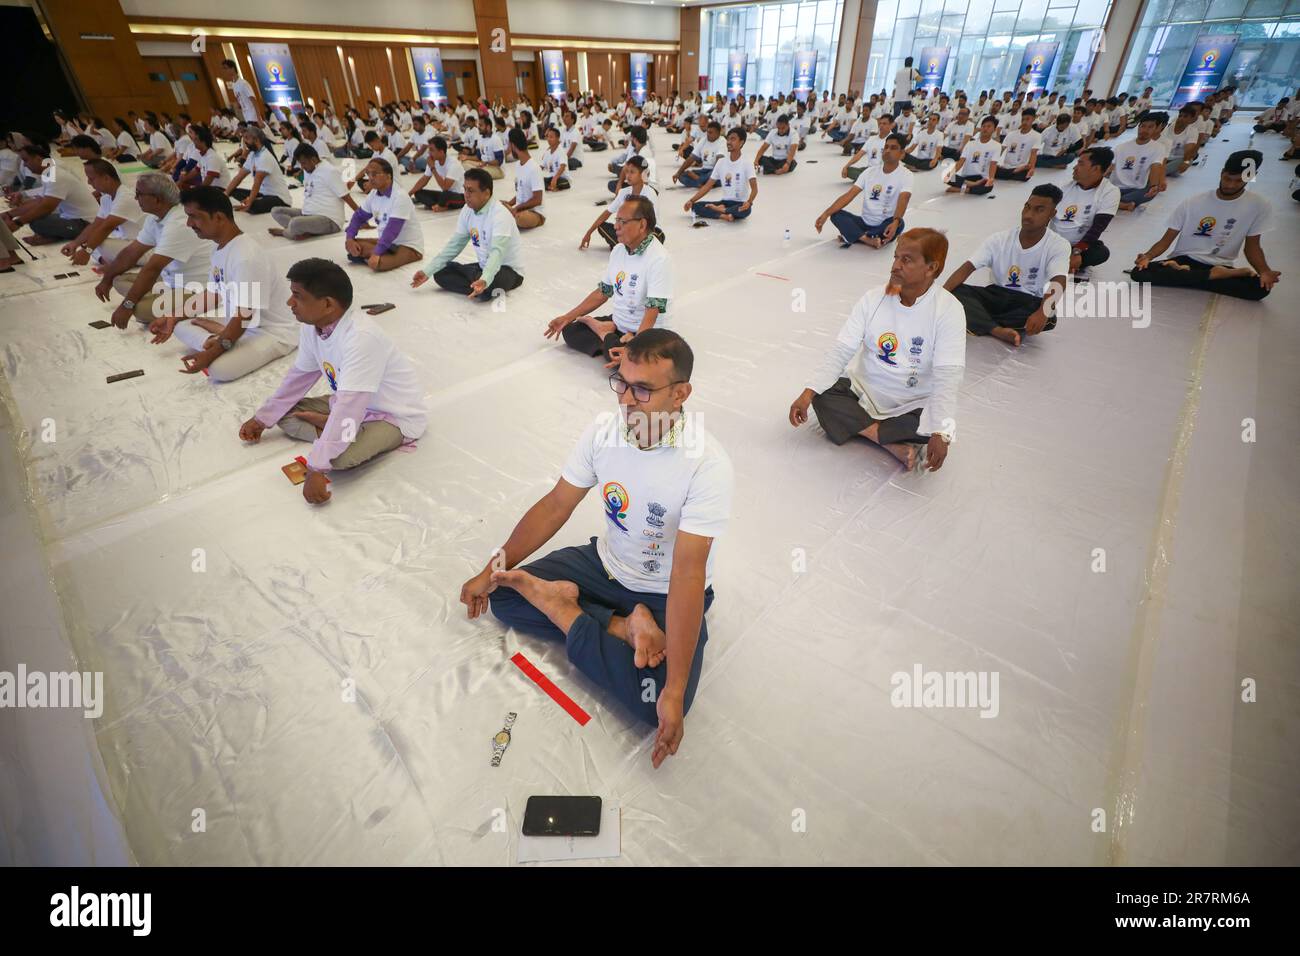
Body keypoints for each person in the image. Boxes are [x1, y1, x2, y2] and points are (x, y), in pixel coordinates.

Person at [460, 328, 732, 767]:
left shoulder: (707, 464)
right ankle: (621, 626)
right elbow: (555, 506)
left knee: (655, 704)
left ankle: (571, 610)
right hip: (604, 566)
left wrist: (675, 690)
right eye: (621, 382)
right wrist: (493, 564)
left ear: (681, 393)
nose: (625, 399)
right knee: (503, 594)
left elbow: (686, 574)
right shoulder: (604, 432)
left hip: (665, 590)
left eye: (642, 389)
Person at [239, 258, 427, 505]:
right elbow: (299, 378)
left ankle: (336, 432)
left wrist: (317, 468)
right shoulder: (312, 326)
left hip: (392, 417)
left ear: (327, 304)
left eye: (297, 296)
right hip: (351, 404)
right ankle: (335, 430)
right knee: (285, 415)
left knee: (337, 458)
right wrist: (263, 418)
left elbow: (350, 407)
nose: (289, 303)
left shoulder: (361, 338)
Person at [789, 227, 962, 472]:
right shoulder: (873, 299)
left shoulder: (948, 310)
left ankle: (862, 429)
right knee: (823, 396)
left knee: (931, 423)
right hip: (864, 393)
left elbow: (948, 376)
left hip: (911, 404)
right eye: (896, 257)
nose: (895, 266)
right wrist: (809, 393)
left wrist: (942, 432)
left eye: (907, 260)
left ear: (931, 268)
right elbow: (841, 350)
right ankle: (888, 443)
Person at [137, 186, 298, 380]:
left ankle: (219, 339)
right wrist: (173, 317)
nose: (189, 224)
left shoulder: (246, 256)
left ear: (219, 218)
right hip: (241, 323)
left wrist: (212, 353)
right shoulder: (220, 248)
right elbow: (214, 294)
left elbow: (245, 316)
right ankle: (218, 338)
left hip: (271, 332)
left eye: (194, 217)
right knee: (178, 324)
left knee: (220, 370)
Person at [1129, 150, 1278, 301]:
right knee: (1139, 272)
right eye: (1227, 179)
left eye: (1238, 181)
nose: (1230, 185)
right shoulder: (1193, 202)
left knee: (1259, 289)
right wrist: (1147, 256)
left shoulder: (1259, 205)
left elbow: (1252, 247)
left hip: (1219, 264)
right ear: (1221, 173)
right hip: (1185, 260)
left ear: (1250, 177)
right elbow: (1165, 241)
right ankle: (1213, 276)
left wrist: (1264, 272)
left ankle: (1197, 276)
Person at [943, 184, 1071, 347]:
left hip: (1027, 302)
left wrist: (1042, 313)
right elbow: (967, 268)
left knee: (1049, 315)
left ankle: (979, 320)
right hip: (996, 295)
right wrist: (940, 298)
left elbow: (1058, 279)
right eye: (1027, 207)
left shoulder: (1058, 245)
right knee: (955, 292)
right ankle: (996, 329)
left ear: (1052, 214)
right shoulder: (999, 239)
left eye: (1039, 210)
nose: (1029, 215)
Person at [548, 196, 672, 364]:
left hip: (647, 331)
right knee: (570, 330)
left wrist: (633, 348)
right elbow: (603, 292)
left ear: (642, 225)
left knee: (632, 361)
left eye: (622, 221)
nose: (616, 226)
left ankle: (605, 333)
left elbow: (652, 312)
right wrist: (567, 317)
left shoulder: (658, 258)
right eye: (616, 220)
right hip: (619, 323)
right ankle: (611, 337)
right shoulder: (619, 251)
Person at [92, 173, 213, 328]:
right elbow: (131, 253)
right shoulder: (155, 218)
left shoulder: (179, 223)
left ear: (157, 199)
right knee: (118, 280)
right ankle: (155, 297)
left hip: (194, 287)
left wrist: (127, 305)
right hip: (169, 280)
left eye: (139, 194)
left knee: (141, 311)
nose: (136, 199)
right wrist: (106, 279)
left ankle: (156, 299)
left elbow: (153, 268)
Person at [410, 166, 524, 301]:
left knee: (491, 285)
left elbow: (496, 253)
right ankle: (478, 285)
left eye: (471, 190)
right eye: (464, 189)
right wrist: (428, 271)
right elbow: (454, 245)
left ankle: (480, 283)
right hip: (483, 266)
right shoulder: (467, 210)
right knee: (439, 273)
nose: (466, 194)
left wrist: (485, 279)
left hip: (507, 270)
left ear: (486, 193)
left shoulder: (500, 215)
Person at [816, 133, 912, 249]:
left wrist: (896, 222)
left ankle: (855, 235)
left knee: (900, 224)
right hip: (864, 222)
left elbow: (903, 200)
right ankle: (867, 239)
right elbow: (849, 195)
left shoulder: (906, 175)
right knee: (835, 215)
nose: (887, 151)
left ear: (902, 154)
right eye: (886, 147)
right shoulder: (869, 172)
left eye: (893, 148)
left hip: (884, 224)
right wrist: (826, 214)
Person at [1, 143, 100, 244]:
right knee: (34, 217)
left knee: (37, 222)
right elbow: (39, 202)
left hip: (86, 224)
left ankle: (54, 236)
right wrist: (9, 214)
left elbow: (47, 207)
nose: (25, 165)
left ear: (38, 159)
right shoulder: (49, 173)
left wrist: (17, 223)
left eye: (26, 160)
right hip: (73, 219)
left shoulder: (56, 175)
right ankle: (53, 236)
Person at [342, 157, 424, 272]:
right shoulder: (374, 194)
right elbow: (359, 216)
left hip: (408, 246)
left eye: (375, 174)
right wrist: (350, 238)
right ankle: (374, 255)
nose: (370, 178)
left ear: (388, 176)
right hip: (388, 243)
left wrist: (376, 252)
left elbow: (392, 230)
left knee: (378, 263)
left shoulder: (400, 196)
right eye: (368, 174)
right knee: (351, 245)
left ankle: (372, 256)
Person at [1048, 147, 1118, 280]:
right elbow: (1043, 217)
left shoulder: (1110, 192)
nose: (1075, 167)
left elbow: (1097, 228)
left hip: (1078, 246)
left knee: (1101, 252)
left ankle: (1064, 262)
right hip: (1053, 243)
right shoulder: (1063, 185)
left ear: (1095, 169)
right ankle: (1064, 263)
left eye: (1080, 163)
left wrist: (1077, 251)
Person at [58, 158, 144, 266]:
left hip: (145, 247)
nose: (89, 183)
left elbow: (106, 228)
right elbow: (96, 225)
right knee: (91, 242)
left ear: (106, 178)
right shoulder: (106, 198)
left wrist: (87, 252)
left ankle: (113, 262)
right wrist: (75, 244)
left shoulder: (125, 197)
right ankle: (110, 261)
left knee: (97, 243)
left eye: (91, 179)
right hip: (128, 242)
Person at [269, 144, 357, 240]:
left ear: (314, 160)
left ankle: (286, 232)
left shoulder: (330, 171)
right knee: (276, 211)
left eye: (304, 163)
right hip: (307, 214)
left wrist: (362, 219)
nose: (302, 167)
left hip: (329, 219)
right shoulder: (309, 170)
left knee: (295, 223)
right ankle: (301, 231)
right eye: (301, 164)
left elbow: (346, 196)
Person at [683, 128, 756, 222]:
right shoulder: (721, 162)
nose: (729, 142)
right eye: (728, 139)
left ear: (741, 143)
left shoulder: (747, 162)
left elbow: (755, 189)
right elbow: (708, 186)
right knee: (695, 207)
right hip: (724, 202)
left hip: (740, 203)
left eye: (733, 139)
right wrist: (691, 200)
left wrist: (749, 202)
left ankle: (720, 211)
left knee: (746, 210)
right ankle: (723, 215)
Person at [224, 128, 292, 214]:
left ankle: (254, 201)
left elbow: (257, 183)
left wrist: (249, 202)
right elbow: (239, 177)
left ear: (256, 140)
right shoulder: (252, 154)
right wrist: (225, 194)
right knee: (232, 191)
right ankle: (254, 200)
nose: (244, 141)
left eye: (247, 138)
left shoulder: (265, 157)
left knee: (253, 206)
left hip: (278, 198)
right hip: (263, 194)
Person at [1111, 112, 1167, 211]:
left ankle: (1115, 202)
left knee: (1151, 191)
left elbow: (1156, 167)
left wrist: (1154, 185)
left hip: (1137, 189)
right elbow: (1110, 166)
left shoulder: (1158, 148)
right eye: (1143, 126)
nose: (1145, 130)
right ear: (1138, 127)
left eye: (1150, 127)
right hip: (1115, 187)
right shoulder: (1121, 147)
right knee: (1098, 192)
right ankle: (1122, 204)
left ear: (1156, 129)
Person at [945, 116, 1001, 195]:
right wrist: (951, 173)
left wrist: (991, 179)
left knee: (988, 187)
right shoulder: (970, 143)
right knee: (947, 177)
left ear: (994, 129)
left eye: (989, 126)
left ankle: (963, 189)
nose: (985, 129)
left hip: (981, 178)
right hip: (966, 178)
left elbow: (993, 164)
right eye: (983, 126)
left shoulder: (997, 146)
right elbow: (961, 161)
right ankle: (973, 185)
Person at [503, 127, 545, 229]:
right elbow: (520, 192)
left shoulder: (534, 168)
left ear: (512, 145)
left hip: (534, 213)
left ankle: (511, 215)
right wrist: (509, 203)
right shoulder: (518, 165)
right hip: (520, 209)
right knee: (498, 205)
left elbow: (537, 200)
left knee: (519, 217)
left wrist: (516, 208)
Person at [409, 136, 465, 211]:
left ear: (441, 152)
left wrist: (433, 168)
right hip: (445, 194)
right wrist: (409, 194)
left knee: (445, 195)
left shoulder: (454, 164)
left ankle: (440, 205)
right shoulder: (433, 161)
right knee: (418, 193)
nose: (429, 153)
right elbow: (424, 179)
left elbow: (445, 187)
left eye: (432, 150)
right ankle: (437, 206)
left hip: (460, 196)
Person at [673, 121, 725, 188]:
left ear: (718, 133)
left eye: (711, 132)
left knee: (713, 174)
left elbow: (719, 165)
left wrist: (702, 177)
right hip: (704, 171)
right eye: (707, 132)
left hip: (716, 171)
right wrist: (678, 173)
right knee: (681, 176)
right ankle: (703, 184)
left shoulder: (722, 141)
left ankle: (700, 181)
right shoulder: (704, 140)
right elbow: (691, 158)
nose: (708, 134)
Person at [995, 108, 1041, 180]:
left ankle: (1008, 173)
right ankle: (1012, 172)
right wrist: (995, 162)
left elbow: (1033, 153)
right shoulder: (1011, 134)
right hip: (1006, 166)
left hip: (1021, 167)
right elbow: (1002, 149)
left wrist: (1032, 168)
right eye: (1023, 119)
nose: (1025, 122)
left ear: (1033, 119)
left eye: (1027, 119)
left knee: (1026, 175)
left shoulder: (1037, 136)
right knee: (992, 169)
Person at [221, 59, 261, 126]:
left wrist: (259, 118)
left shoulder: (243, 83)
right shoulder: (234, 85)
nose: (225, 71)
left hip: (253, 117)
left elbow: (254, 101)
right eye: (223, 69)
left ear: (232, 68)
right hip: (246, 116)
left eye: (226, 68)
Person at [538, 126, 571, 191]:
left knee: (562, 182)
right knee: (539, 181)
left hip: (562, 178)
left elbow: (562, 167)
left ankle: (550, 187)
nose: (549, 139)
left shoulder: (561, 151)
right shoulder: (547, 153)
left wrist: (555, 178)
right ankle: (550, 187)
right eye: (548, 137)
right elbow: (541, 167)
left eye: (551, 137)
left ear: (557, 138)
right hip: (551, 178)